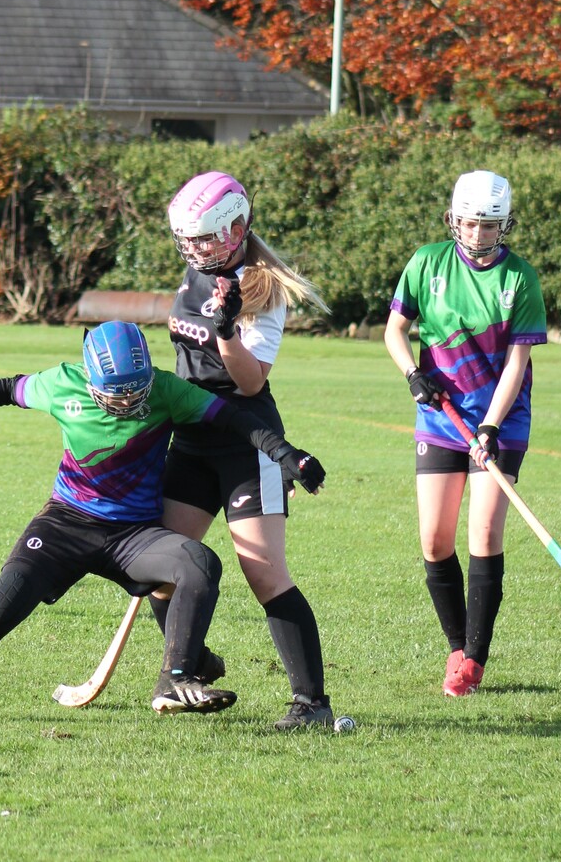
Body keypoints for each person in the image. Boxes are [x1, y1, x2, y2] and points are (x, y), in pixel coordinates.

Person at [0, 320, 326, 721]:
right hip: (63, 525)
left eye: (135, 392)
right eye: (116, 393)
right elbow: (8, 388)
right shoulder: (62, 383)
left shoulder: (167, 390)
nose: (126, 402)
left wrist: (285, 454)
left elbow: (233, 419)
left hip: (134, 536)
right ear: (90, 376)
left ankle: (180, 677)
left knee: (199, 563)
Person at [156, 171, 337, 731]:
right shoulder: (195, 273)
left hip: (247, 445)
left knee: (264, 574)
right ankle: (192, 666)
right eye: (188, 241)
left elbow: (251, 383)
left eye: (206, 239)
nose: (196, 250)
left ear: (236, 227)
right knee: (162, 569)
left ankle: (311, 704)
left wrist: (227, 328)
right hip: (190, 438)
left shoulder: (263, 289)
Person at [383, 169, 547, 697]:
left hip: (500, 420)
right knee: (434, 540)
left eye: (490, 225)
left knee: (483, 534)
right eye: (471, 223)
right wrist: (414, 375)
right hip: (440, 415)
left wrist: (493, 427)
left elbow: (517, 362)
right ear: (454, 219)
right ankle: (457, 645)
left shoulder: (520, 278)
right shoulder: (427, 262)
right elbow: (395, 330)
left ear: (506, 225)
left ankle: (473, 661)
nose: (479, 235)